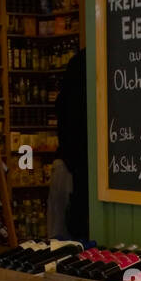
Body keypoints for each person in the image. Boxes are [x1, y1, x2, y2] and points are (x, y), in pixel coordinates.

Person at [53, 48, 88, 238]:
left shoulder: (79, 61)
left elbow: (62, 108)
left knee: (74, 230)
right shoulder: (94, 59)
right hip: (83, 164)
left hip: (75, 163)